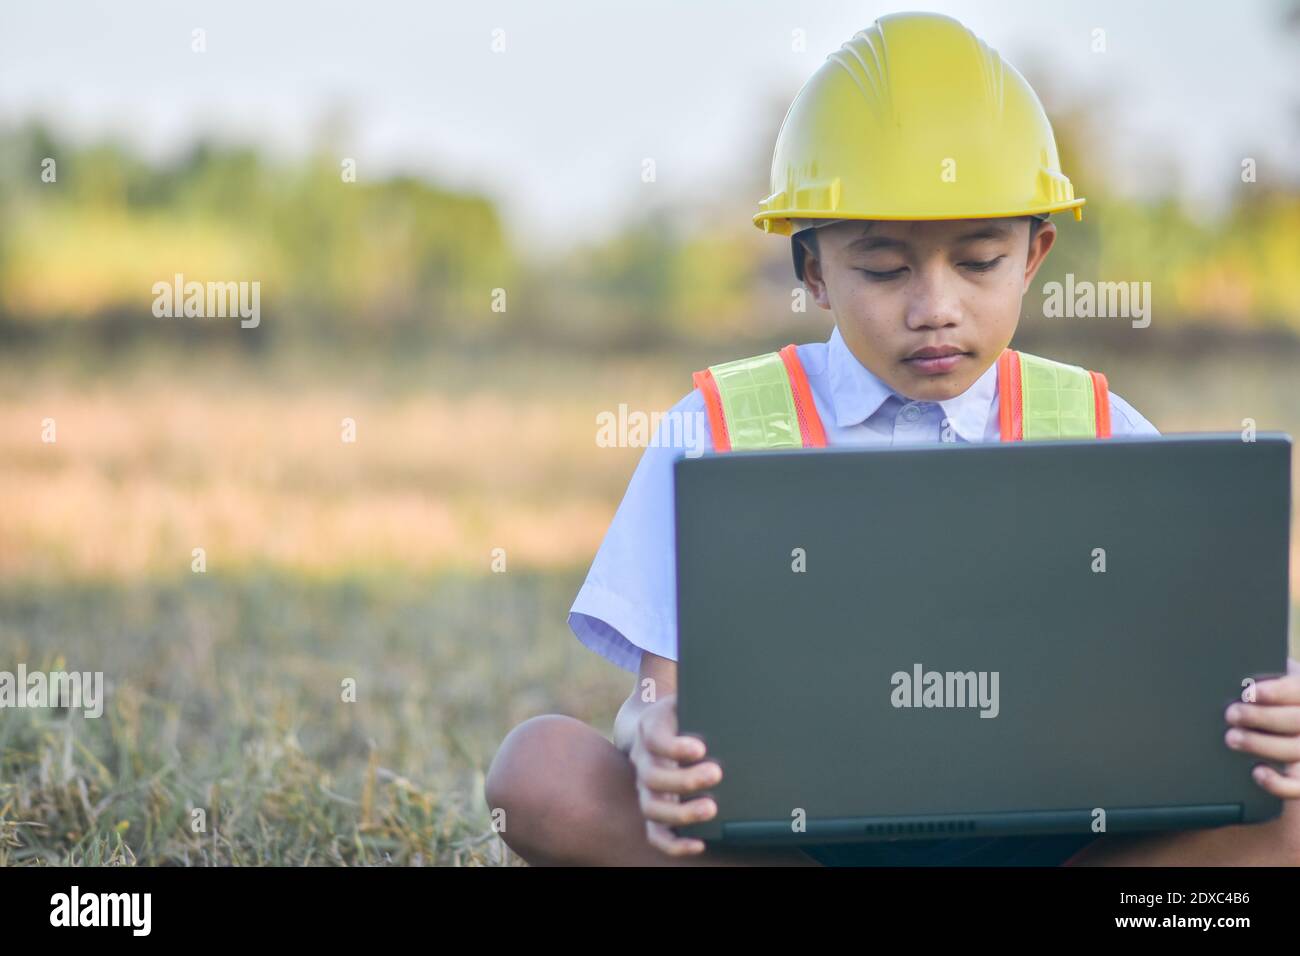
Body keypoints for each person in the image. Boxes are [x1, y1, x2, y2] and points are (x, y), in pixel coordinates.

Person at [485, 12, 1300, 866]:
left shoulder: (1099, 426)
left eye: (979, 261)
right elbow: (658, 695)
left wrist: (1274, 702)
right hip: (794, 844)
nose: (934, 307)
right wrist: (651, 731)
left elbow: (1217, 667)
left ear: (1033, 255)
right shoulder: (716, 428)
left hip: (1058, 841)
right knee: (538, 771)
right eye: (883, 267)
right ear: (813, 272)